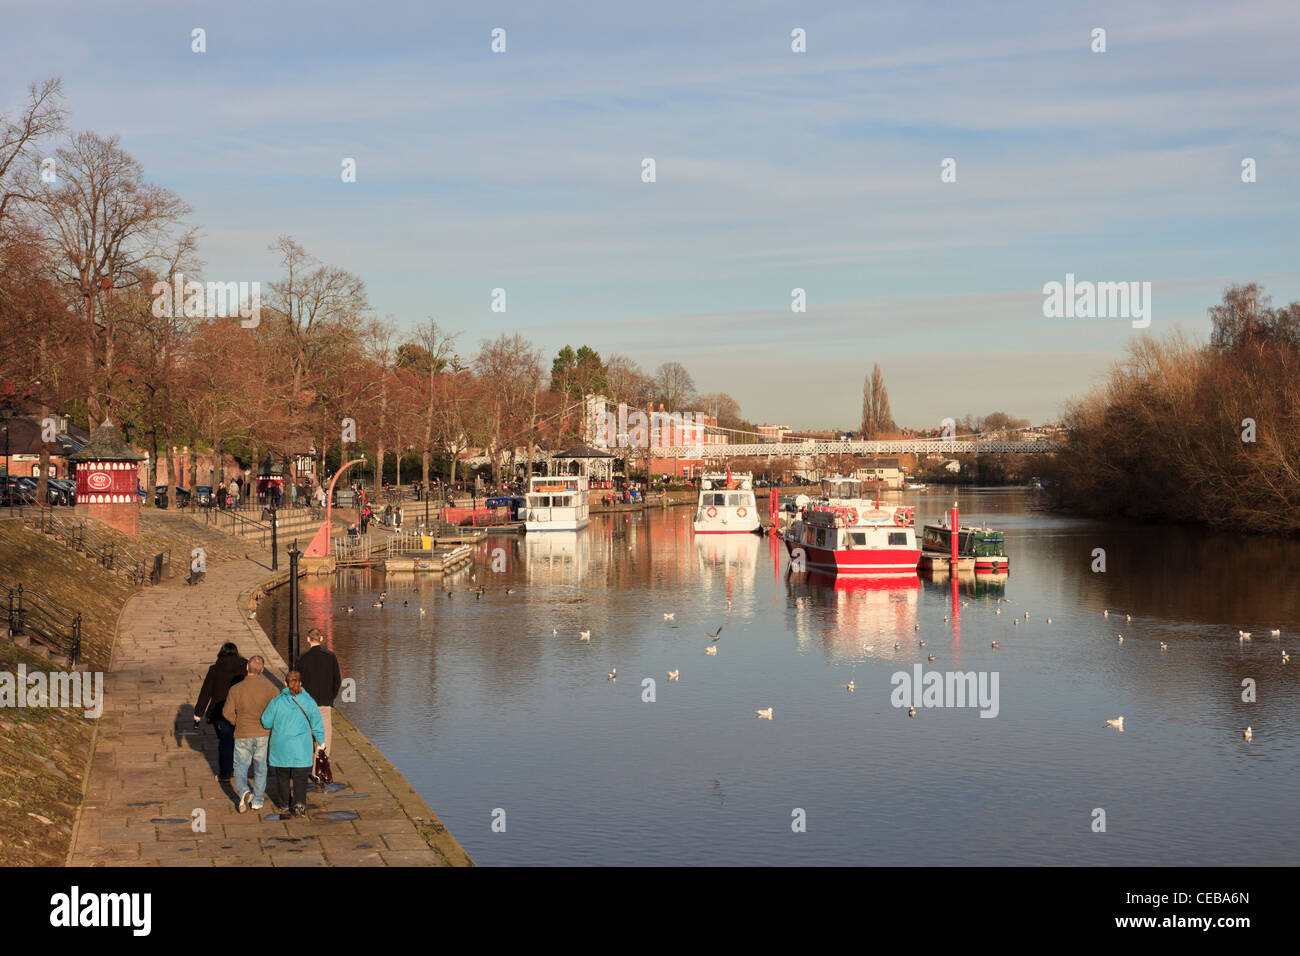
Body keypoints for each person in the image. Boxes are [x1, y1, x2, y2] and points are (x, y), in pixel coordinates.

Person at [261, 669, 326, 817]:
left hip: (281, 747)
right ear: (301, 683)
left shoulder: (276, 702)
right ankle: (299, 804)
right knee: (300, 777)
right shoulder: (309, 702)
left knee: (282, 777)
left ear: (285, 683)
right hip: (301, 748)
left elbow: (266, 722)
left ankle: (284, 804)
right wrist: (321, 743)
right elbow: (317, 724)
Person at [223, 655, 278, 812]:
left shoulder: (236, 689)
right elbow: (277, 709)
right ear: (261, 669)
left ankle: (244, 791)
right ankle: (258, 800)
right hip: (262, 733)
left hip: (242, 732)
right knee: (261, 767)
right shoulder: (271, 688)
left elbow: (226, 712)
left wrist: (236, 721)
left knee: (241, 766)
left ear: (247, 668)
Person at [192, 642, 248, 783]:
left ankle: (225, 773)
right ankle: (240, 769)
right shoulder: (245, 666)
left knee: (225, 742)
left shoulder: (215, 669)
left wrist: (198, 713)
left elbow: (206, 692)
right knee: (239, 742)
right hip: (240, 710)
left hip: (219, 712)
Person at [297, 628, 342, 778]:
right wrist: (331, 697)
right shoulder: (330, 657)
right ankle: (319, 769)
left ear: (308, 639)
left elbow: (297, 683)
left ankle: (304, 764)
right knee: (324, 736)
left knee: (306, 734)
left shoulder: (301, 659)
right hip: (324, 702)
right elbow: (337, 680)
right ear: (321, 639)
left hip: (306, 703)